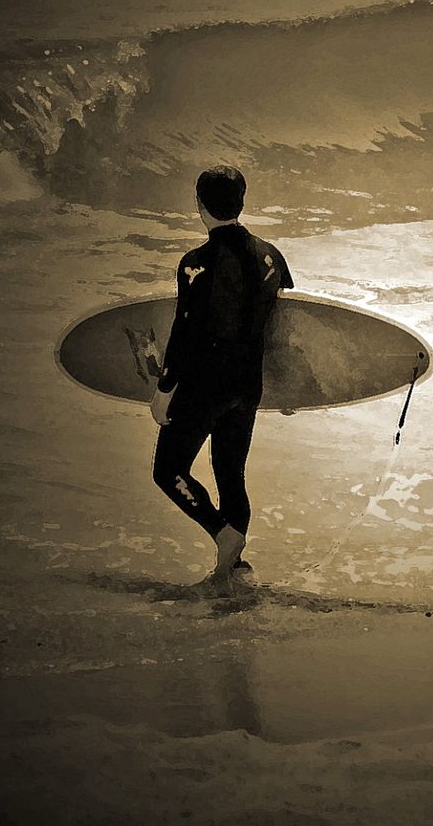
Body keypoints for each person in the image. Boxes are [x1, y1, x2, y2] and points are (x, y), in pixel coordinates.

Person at [151, 165, 293, 589]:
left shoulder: (195, 265)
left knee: (167, 470)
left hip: (203, 387)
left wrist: (164, 391)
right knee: (230, 473)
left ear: (198, 205)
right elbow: (284, 325)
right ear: (243, 202)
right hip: (247, 386)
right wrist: (291, 385)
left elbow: (184, 333)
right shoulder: (272, 256)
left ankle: (222, 533)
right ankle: (232, 570)